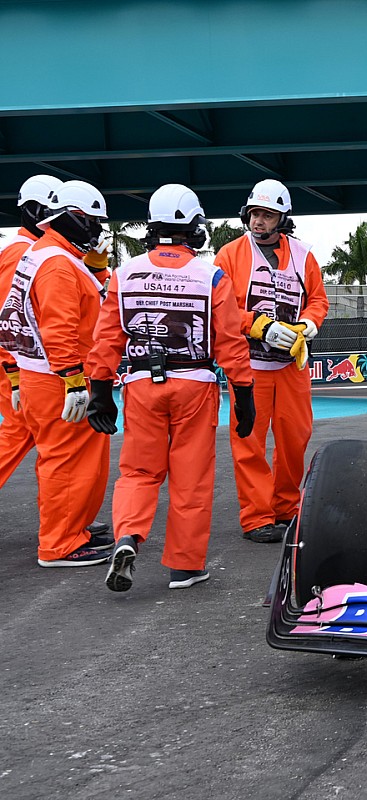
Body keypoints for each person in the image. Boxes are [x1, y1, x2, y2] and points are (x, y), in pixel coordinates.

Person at [86, 184, 257, 592]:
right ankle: (184, 567)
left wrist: (99, 392)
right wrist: (244, 396)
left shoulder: (123, 274)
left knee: (138, 471)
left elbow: (106, 339)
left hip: (141, 384)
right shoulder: (211, 276)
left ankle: (128, 535)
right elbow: (231, 343)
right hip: (194, 385)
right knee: (190, 478)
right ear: (195, 229)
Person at [0, 180, 113, 566]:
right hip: (57, 378)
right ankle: (60, 543)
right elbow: (58, 326)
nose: (97, 230)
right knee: (66, 461)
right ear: (75, 218)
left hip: (46, 375)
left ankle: (73, 529)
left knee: (76, 459)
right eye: (93, 222)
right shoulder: (55, 264)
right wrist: (73, 380)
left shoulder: (48, 254)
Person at [213, 179, 328, 544]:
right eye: (254, 214)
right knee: (248, 442)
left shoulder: (304, 255)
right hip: (249, 367)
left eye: (267, 215)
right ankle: (257, 517)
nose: (258, 221)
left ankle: (286, 508)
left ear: (283, 219)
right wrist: (258, 325)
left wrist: (309, 324)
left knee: (295, 439)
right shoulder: (229, 255)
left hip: (292, 367)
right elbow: (220, 308)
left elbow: (318, 300)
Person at [0, 175, 62, 489]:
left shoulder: (34, 250)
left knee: (33, 434)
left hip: (20, 360)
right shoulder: (22, 252)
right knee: (20, 431)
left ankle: (58, 510)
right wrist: (13, 372)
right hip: (17, 361)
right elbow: (9, 316)